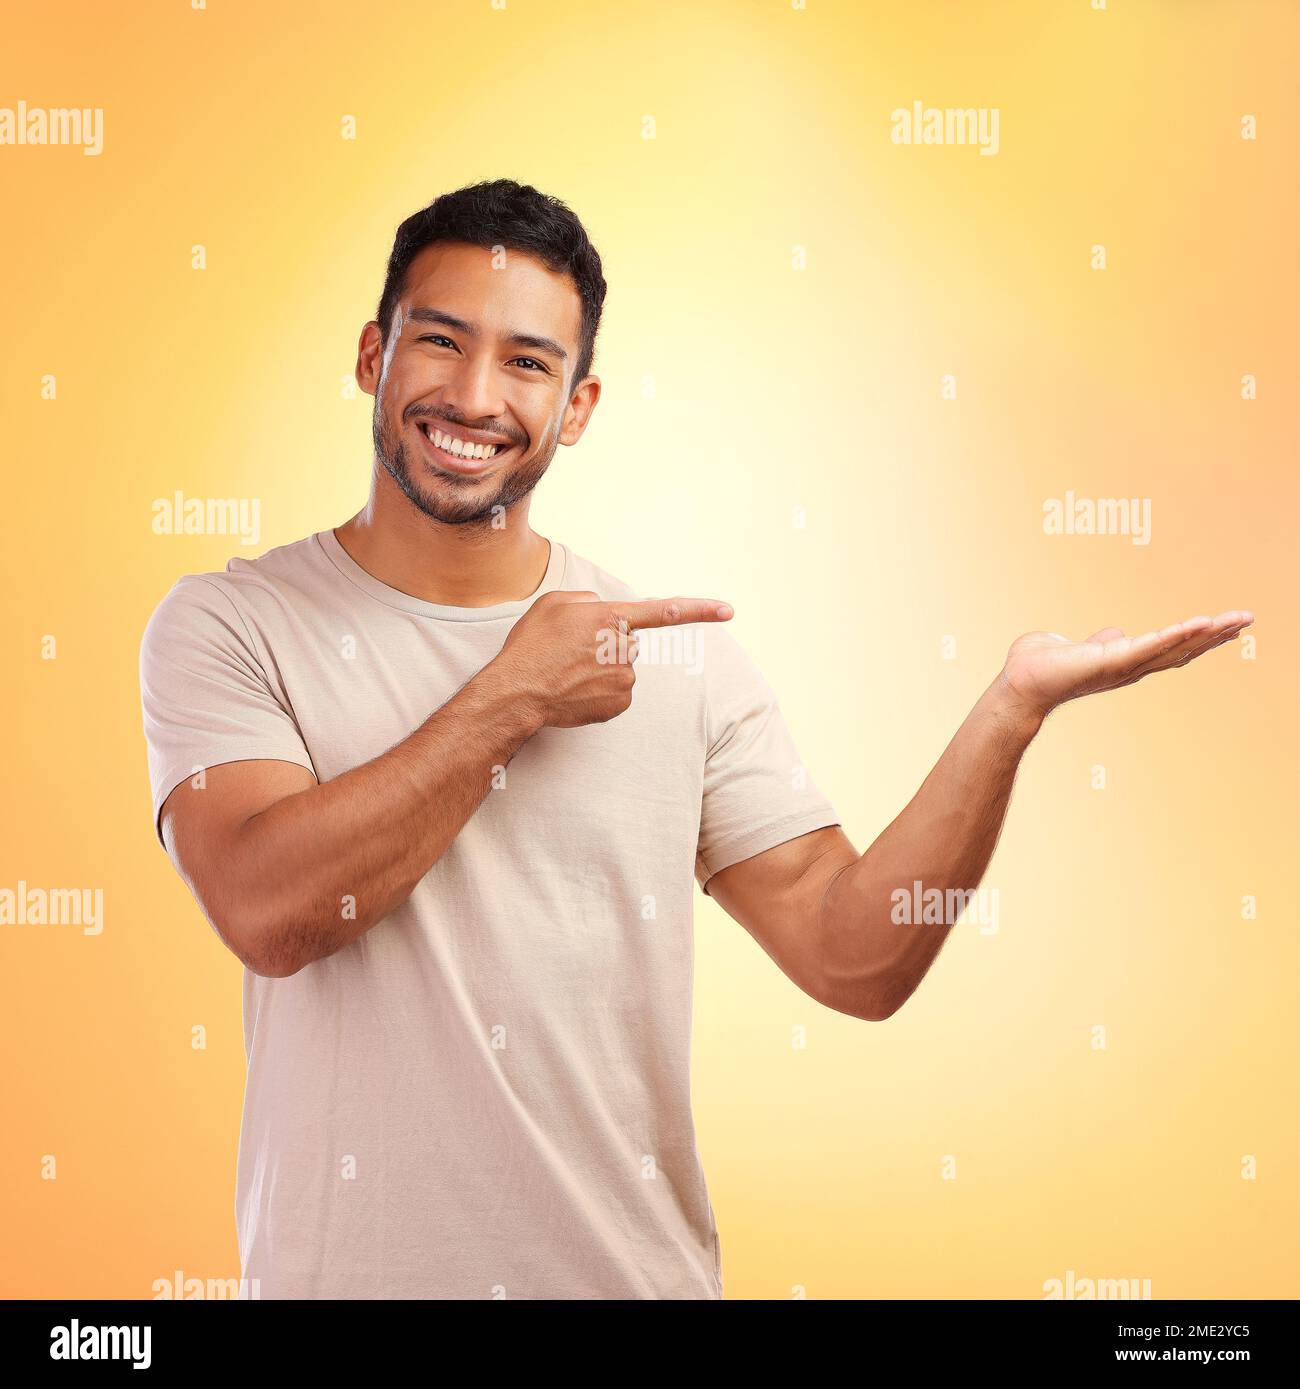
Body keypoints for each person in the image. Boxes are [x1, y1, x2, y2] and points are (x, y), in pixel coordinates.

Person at [139, 178, 1252, 1300]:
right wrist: (512, 695)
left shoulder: (674, 654)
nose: (474, 397)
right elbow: (271, 912)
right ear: (375, 355)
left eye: (528, 362)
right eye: (440, 342)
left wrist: (1009, 710)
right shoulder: (233, 623)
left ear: (575, 408)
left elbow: (850, 957)